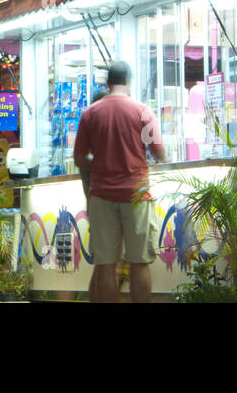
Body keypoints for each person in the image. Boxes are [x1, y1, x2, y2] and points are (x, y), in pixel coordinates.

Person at [73, 61, 167, 303]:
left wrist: (102, 162)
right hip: (136, 194)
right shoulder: (143, 111)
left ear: (108, 82)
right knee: (139, 263)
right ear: (129, 82)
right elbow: (160, 153)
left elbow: (79, 158)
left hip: (102, 196)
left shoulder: (90, 114)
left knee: (105, 264)